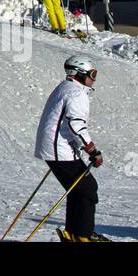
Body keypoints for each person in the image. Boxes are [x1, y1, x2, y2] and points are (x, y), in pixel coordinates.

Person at [34, 55, 107, 242]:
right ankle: (82, 236)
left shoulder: (65, 87)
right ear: (80, 74)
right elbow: (76, 124)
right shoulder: (76, 93)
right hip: (59, 149)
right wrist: (91, 149)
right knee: (88, 188)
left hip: (56, 147)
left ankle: (74, 233)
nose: (93, 79)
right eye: (92, 74)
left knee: (79, 189)